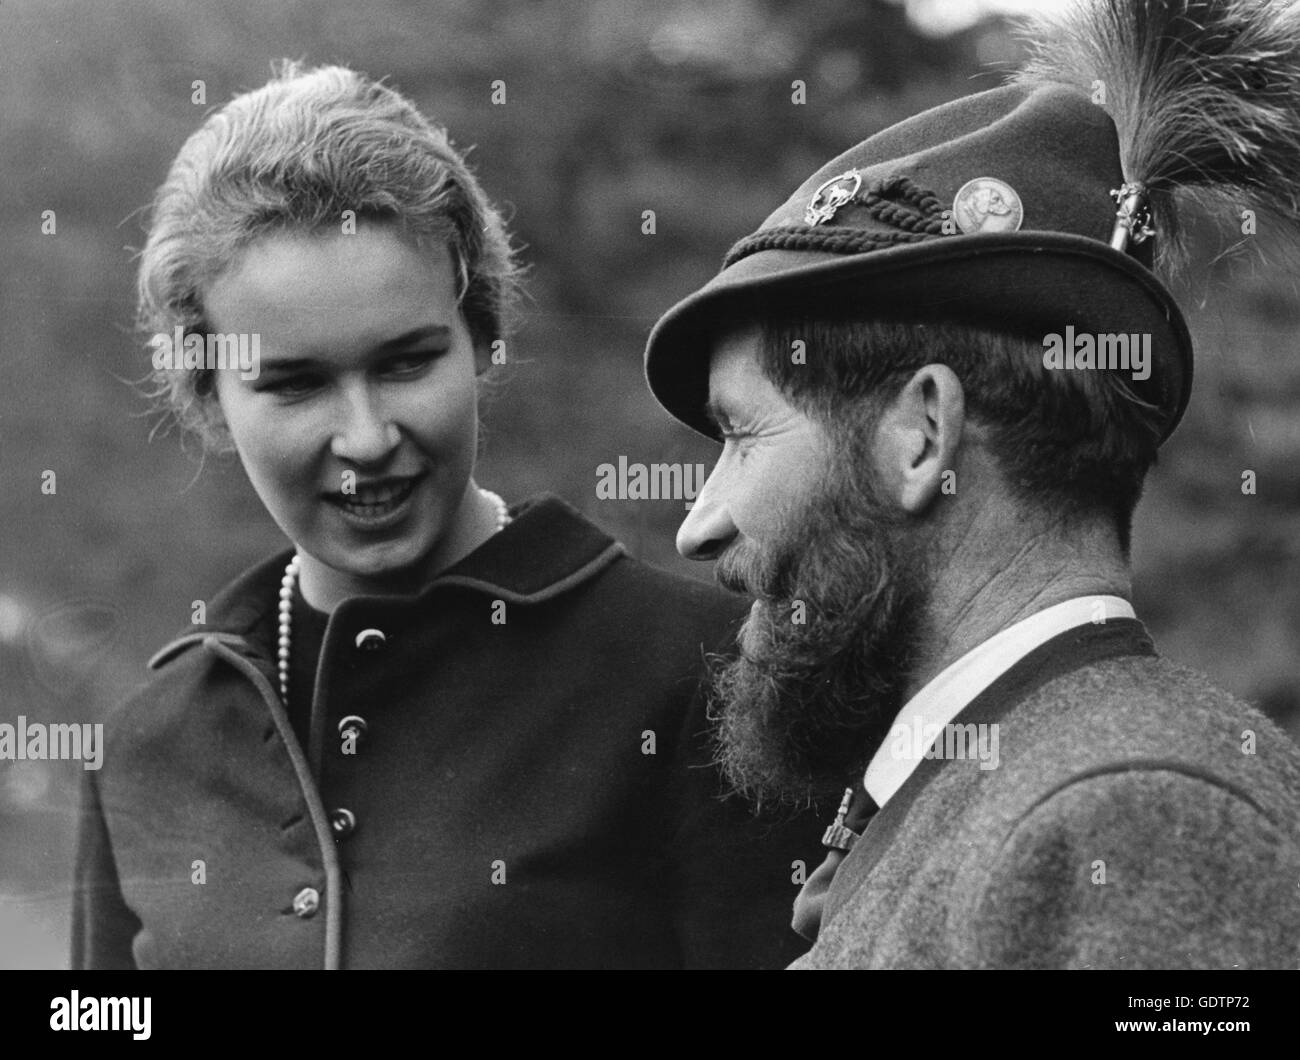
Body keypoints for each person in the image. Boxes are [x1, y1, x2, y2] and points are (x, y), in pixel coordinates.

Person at [71, 61, 824, 969]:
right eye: (296, 384)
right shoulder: (149, 744)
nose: (367, 437)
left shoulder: (707, 678)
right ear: (210, 396)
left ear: (481, 339)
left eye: (406, 363)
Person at [643, 0, 1300, 968]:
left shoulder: (1135, 811)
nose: (697, 525)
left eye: (742, 436)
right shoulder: (992, 790)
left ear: (920, 435)